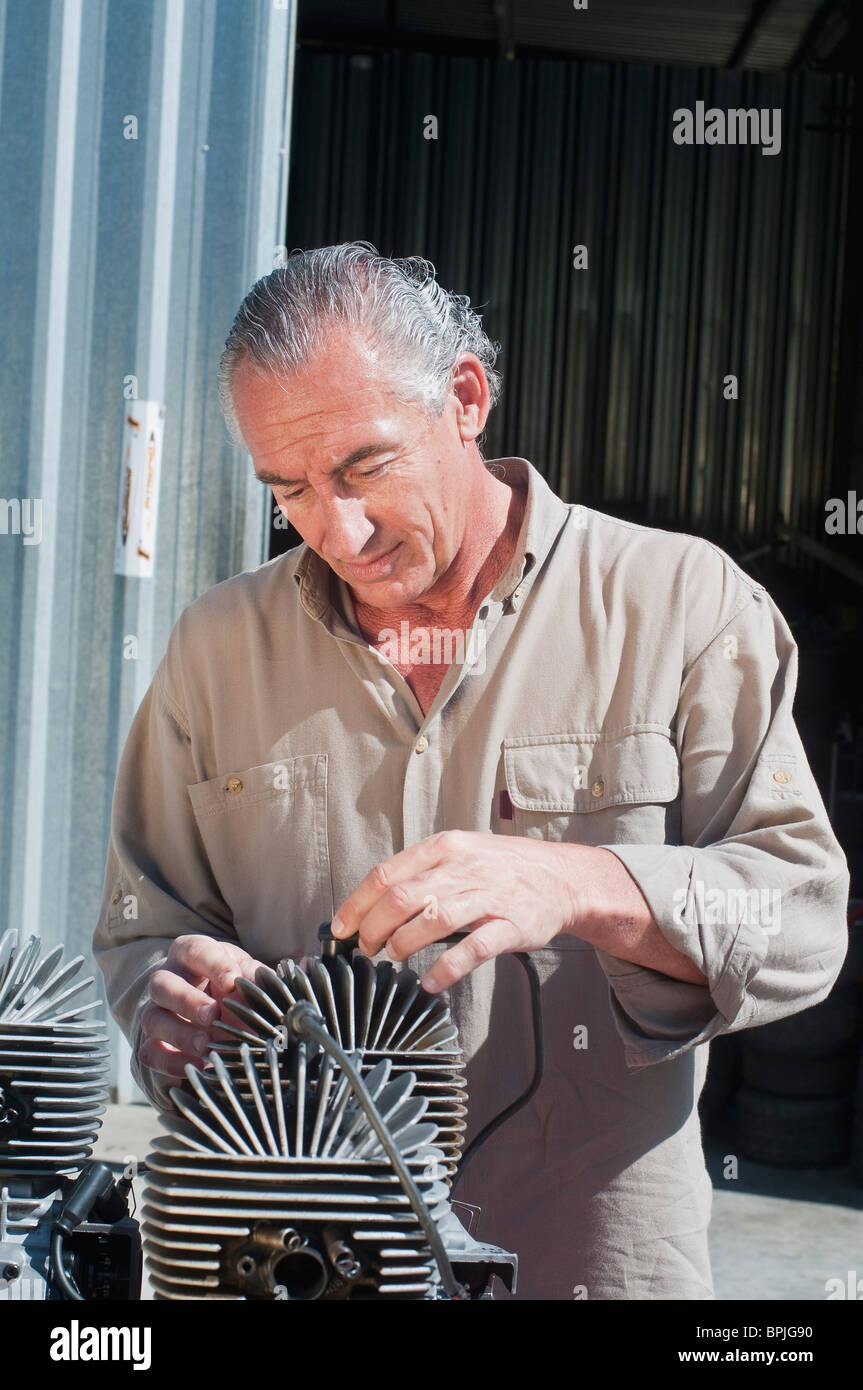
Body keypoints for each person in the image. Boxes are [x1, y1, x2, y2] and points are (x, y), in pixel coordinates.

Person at [93, 241, 849, 1300]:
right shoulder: (216, 650)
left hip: (583, 1259)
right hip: (295, 1256)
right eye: (289, 490)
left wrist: (582, 884)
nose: (336, 529)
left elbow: (802, 923)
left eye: (363, 469)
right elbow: (140, 927)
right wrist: (167, 996)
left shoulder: (681, 607)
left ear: (463, 397)